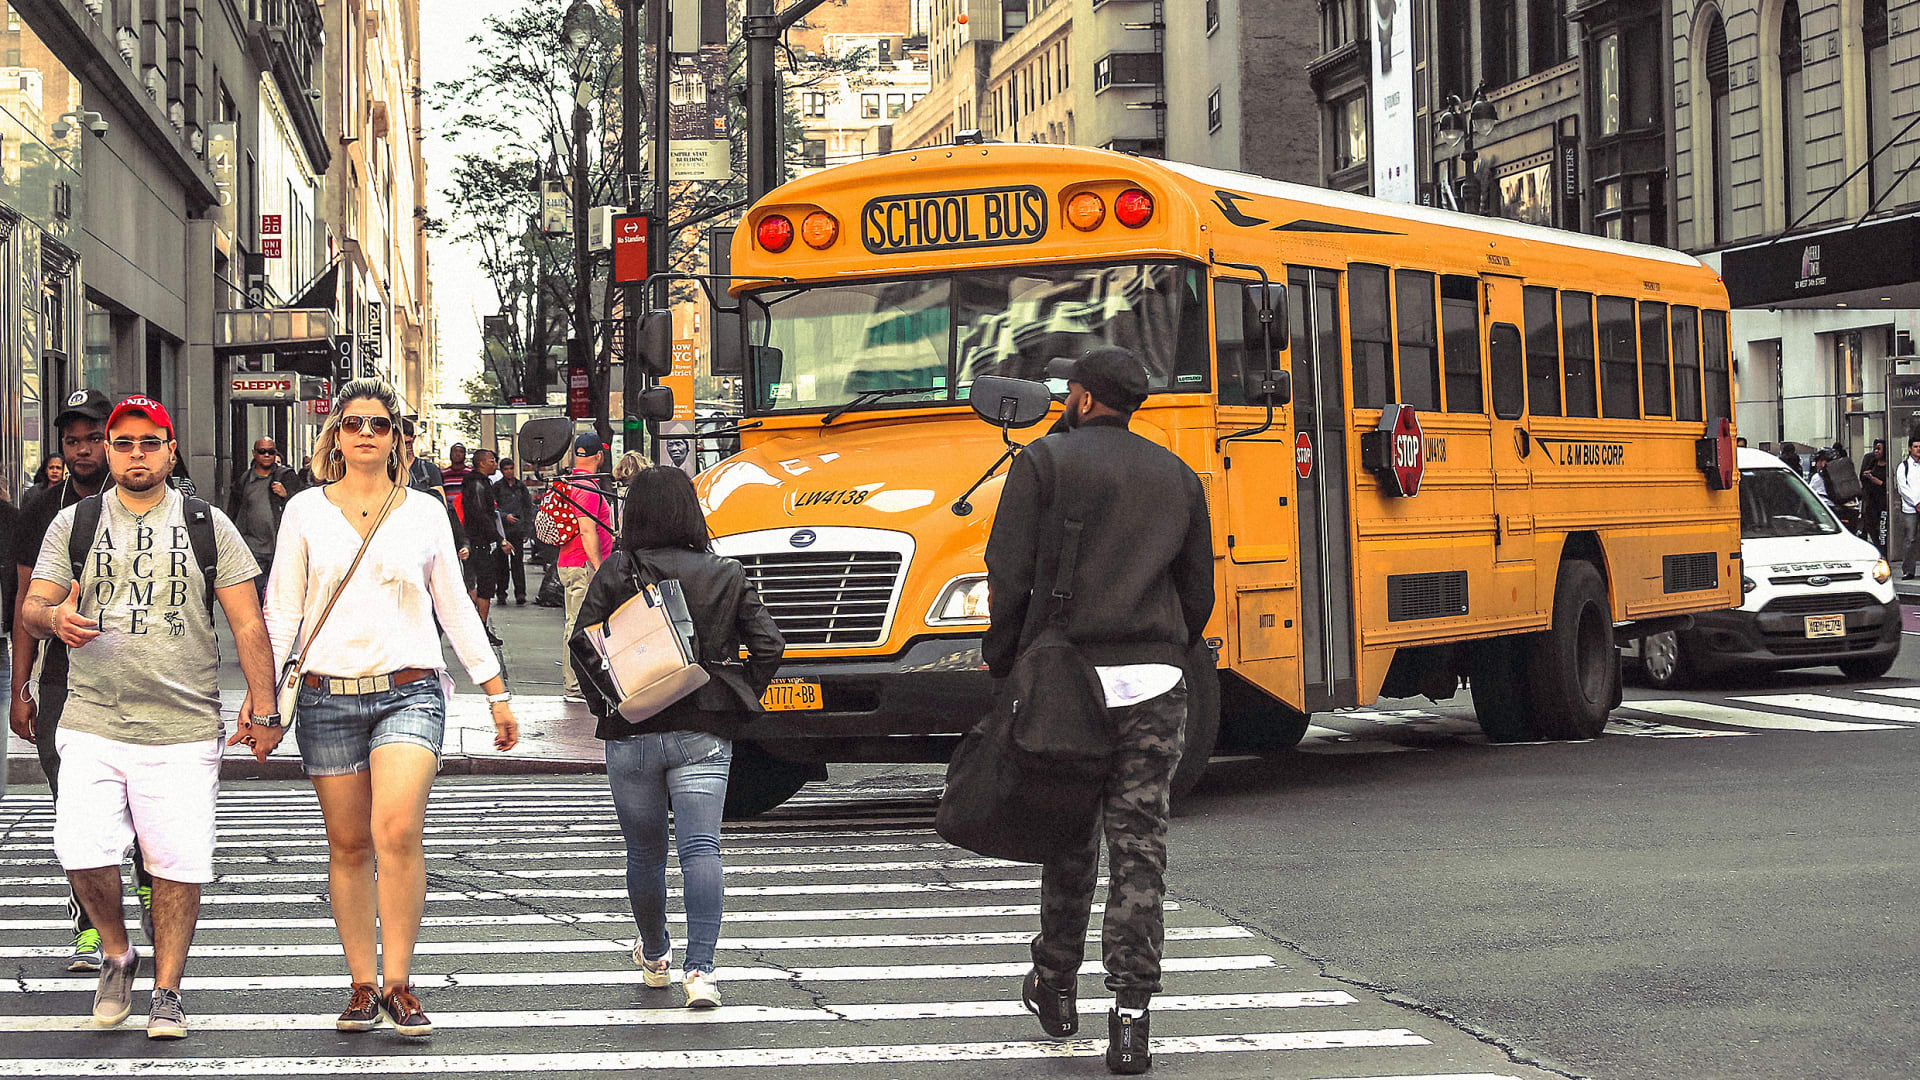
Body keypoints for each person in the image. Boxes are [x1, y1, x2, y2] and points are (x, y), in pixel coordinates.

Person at [263, 380, 520, 1037]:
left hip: (410, 689)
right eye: (354, 424)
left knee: (396, 830)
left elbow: (454, 606)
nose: (367, 434)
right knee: (348, 844)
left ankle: (399, 982)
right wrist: (264, 701)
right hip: (325, 695)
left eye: (380, 424)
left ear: (398, 437)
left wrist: (495, 692)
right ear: (337, 436)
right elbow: (282, 610)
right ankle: (360, 984)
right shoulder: (305, 512)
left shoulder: (425, 512)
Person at [982, 347, 1214, 1076]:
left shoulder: (1044, 462)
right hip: (1155, 680)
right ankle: (1133, 1017)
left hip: (1067, 679)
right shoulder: (1178, 475)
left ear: (1081, 396)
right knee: (1140, 847)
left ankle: (1055, 983)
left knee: (1067, 832)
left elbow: (1008, 569)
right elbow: (1198, 589)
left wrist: (1003, 659)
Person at [20, 394, 275, 1039]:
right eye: (124, 443)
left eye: (149, 443)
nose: (137, 454)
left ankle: (166, 990)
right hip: (91, 717)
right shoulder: (73, 523)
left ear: (169, 449)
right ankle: (115, 951)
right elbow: (31, 606)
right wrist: (54, 619)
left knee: (176, 861)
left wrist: (264, 702)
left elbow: (247, 620)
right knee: (80, 848)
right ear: (108, 451)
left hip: (182, 723)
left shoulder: (206, 523)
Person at [574, 466, 784, 1010]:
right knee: (700, 849)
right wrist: (732, 690)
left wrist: (610, 702)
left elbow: (582, 644)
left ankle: (655, 955)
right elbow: (769, 646)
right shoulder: (725, 573)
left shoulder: (618, 571)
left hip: (632, 729)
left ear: (635, 512)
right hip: (703, 728)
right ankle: (703, 972)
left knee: (644, 852)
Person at [9, 388, 152, 973]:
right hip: (63, 682)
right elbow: (24, 600)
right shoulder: (41, 508)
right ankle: (91, 924)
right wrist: (21, 690)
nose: (84, 449)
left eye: (95, 437)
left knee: (144, 804)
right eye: (73, 440)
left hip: (142, 678)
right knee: (75, 807)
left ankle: (149, 889)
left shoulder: (155, 500)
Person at [559, 433, 614, 703]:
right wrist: (599, 566)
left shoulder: (572, 480)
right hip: (582, 565)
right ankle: (574, 686)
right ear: (599, 456)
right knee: (576, 625)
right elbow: (587, 530)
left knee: (578, 623)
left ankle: (578, 683)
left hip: (573, 563)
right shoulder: (587, 485)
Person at [226, 437, 303, 600]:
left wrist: (285, 495)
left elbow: (301, 507)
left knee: (281, 595)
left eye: (271, 452)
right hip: (253, 547)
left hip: (281, 546)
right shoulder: (245, 480)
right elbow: (233, 510)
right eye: (262, 451)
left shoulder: (286, 477)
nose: (267, 455)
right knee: (256, 594)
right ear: (254, 453)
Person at [461, 447, 508, 638]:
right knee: (484, 585)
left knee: (483, 585)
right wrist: (499, 539)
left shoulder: (481, 483)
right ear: (481, 463)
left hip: (480, 541)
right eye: (492, 461)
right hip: (479, 542)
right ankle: (479, 627)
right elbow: (481, 515)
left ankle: (479, 626)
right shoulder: (477, 485)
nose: (495, 464)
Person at [497, 459, 536, 605]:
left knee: (517, 564)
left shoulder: (521, 487)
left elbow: (528, 508)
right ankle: (501, 593)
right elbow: (494, 508)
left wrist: (527, 529)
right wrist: (504, 516)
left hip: (518, 531)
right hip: (503, 531)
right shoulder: (497, 488)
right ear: (502, 470)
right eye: (506, 469)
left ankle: (520, 593)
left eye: (511, 468)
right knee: (501, 564)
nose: (509, 471)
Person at [1897, 436, 1920, 579]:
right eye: (1916, 446)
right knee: (1910, 539)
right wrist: (1916, 503)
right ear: (1910, 448)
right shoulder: (1903, 466)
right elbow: (1902, 488)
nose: (1918, 449)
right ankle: (1908, 570)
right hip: (1910, 508)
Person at [1861, 439, 1888, 551]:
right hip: (1871, 501)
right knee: (1870, 525)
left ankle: (1884, 550)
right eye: (1875, 449)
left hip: (1882, 502)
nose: (1876, 451)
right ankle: (1877, 547)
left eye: (1879, 449)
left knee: (1882, 529)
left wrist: (1877, 481)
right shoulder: (1872, 462)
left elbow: (1889, 485)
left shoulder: (1888, 466)